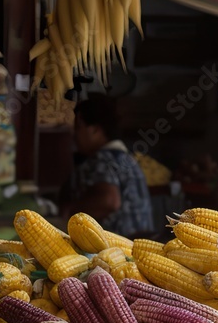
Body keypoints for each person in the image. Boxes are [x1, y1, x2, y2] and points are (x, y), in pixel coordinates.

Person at [61, 94, 154, 237]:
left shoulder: (102, 159)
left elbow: (109, 201)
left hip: (118, 250)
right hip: (140, 245)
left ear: (95, 130)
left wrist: (70, 210)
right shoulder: (128, 159)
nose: (74, 135)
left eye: (78, 127)